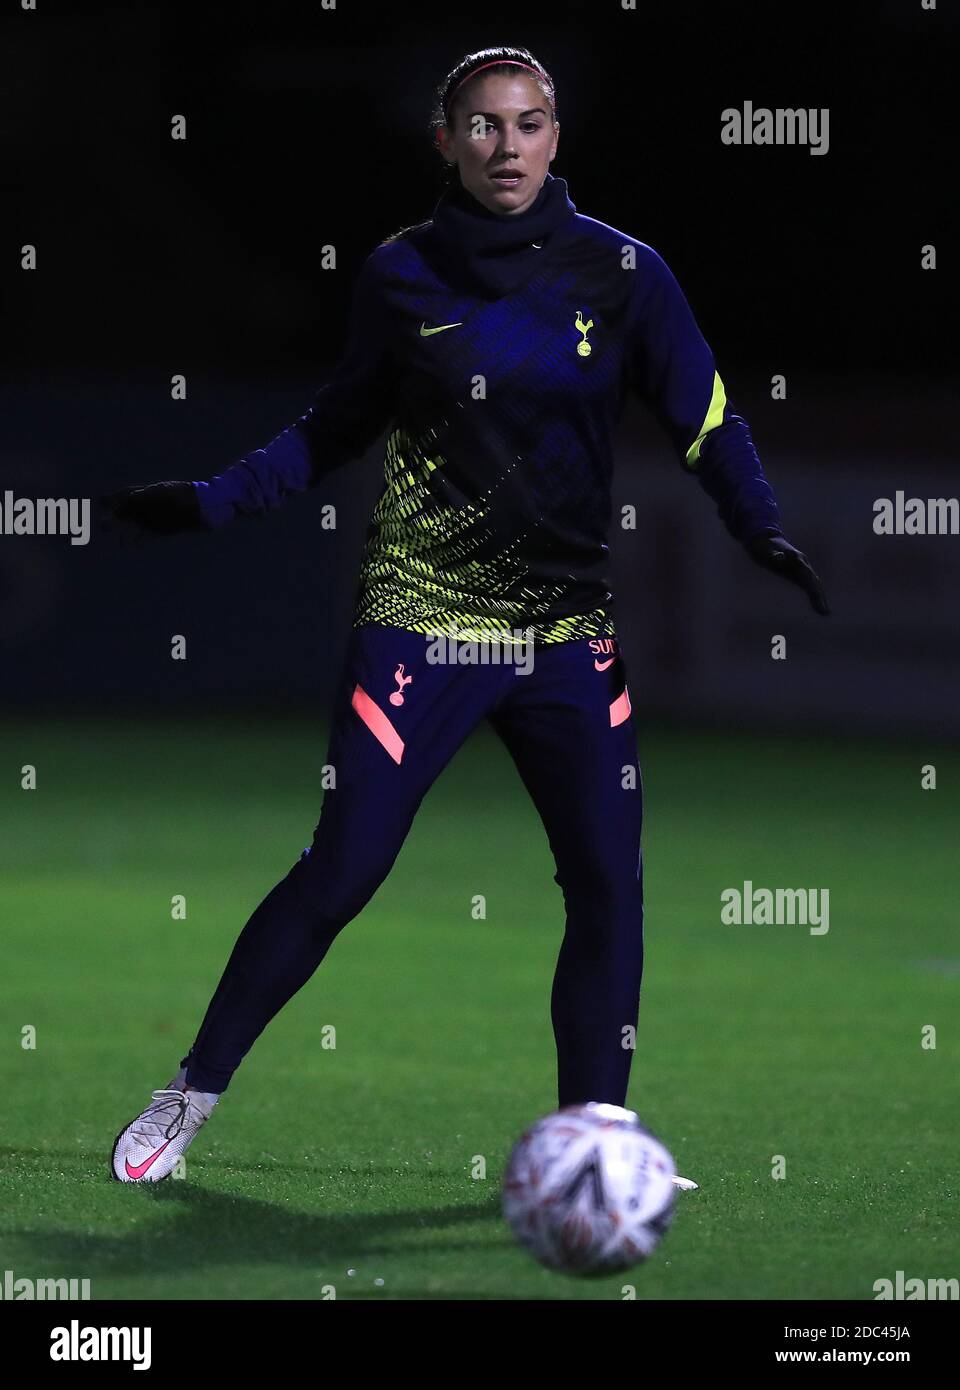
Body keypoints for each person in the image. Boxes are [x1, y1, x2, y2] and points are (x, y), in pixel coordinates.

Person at [102, 45, 828, 1188]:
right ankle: (186, 1094)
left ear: (557, 137)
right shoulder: (402, 275)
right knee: (342, 871)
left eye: (530, 123)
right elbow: (332, 426)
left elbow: (707, 412)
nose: (509, 146)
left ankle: (595, 1140)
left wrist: (758, 520)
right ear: (447, 140)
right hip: (421, 620)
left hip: (562, 632)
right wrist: (207, 502)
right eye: (484, 125)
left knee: (608, 880)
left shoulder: (626, 273)